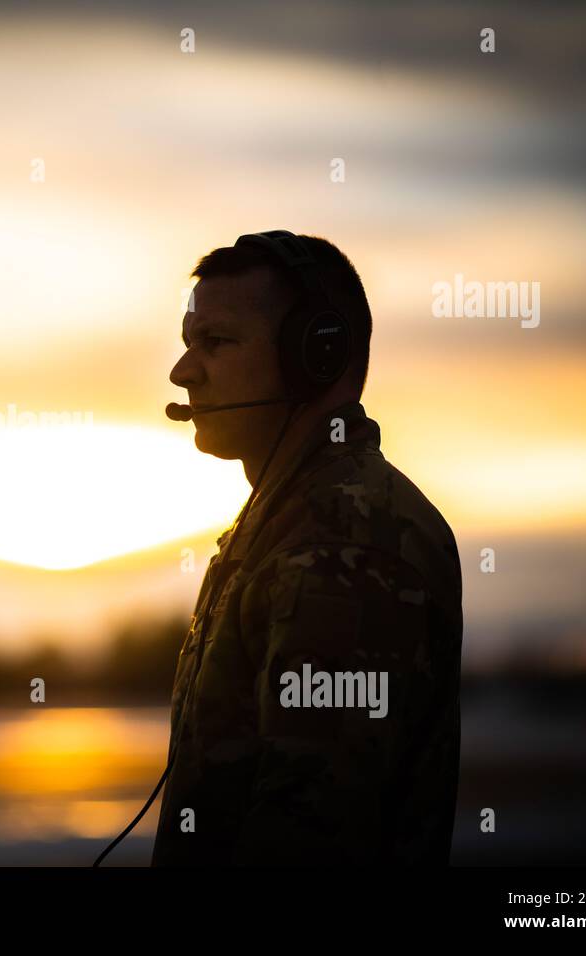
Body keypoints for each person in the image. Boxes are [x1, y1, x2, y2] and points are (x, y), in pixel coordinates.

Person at [148, 232, 463, 866]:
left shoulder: (346, 545)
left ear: (315, 356)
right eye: (188, 344)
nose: (183, 373)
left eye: (217, 343)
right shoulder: (285, 523)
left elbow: (310, 839)